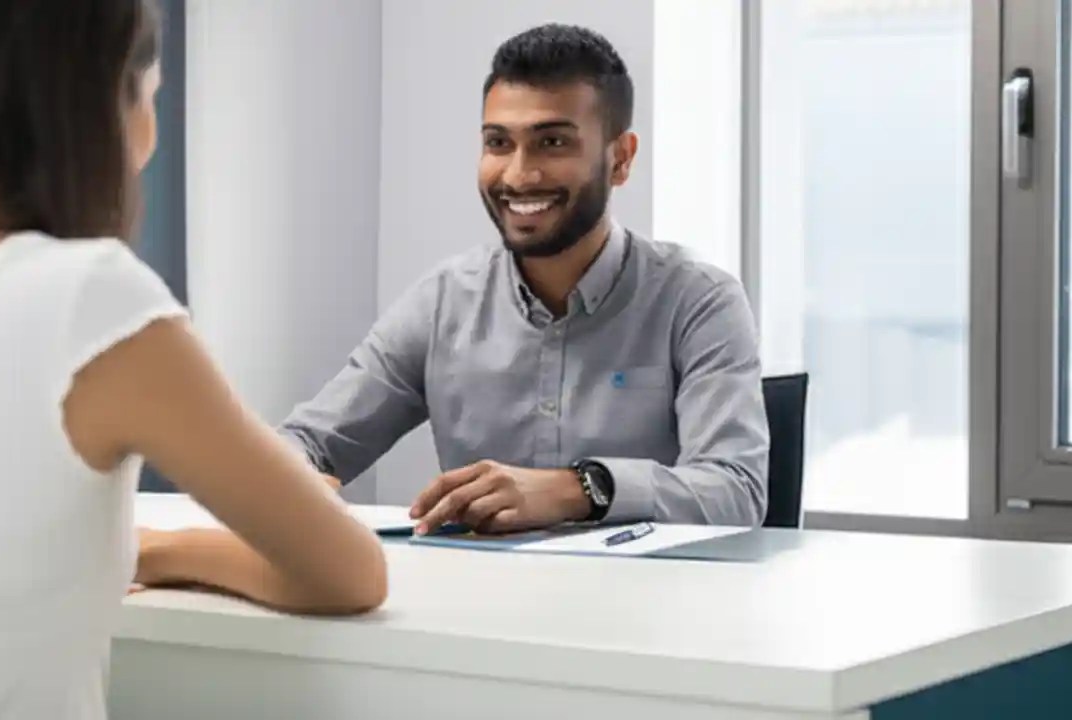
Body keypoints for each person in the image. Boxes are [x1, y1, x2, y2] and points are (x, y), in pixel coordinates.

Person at [0, 1, 385, 718]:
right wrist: (163, 549)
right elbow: (346, 572)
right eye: (151, 97)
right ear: (97, 101)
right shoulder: (85, 300)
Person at [280, 24, 769, 535]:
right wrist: (289, 479)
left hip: (648, 606)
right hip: (477, 606)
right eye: (498, 143)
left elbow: (736, 492)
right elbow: (309, 443)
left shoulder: (699, 301)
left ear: (620, 159)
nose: (517, 175)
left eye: (551, 142)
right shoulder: (442, 302)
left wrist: (577, 489)